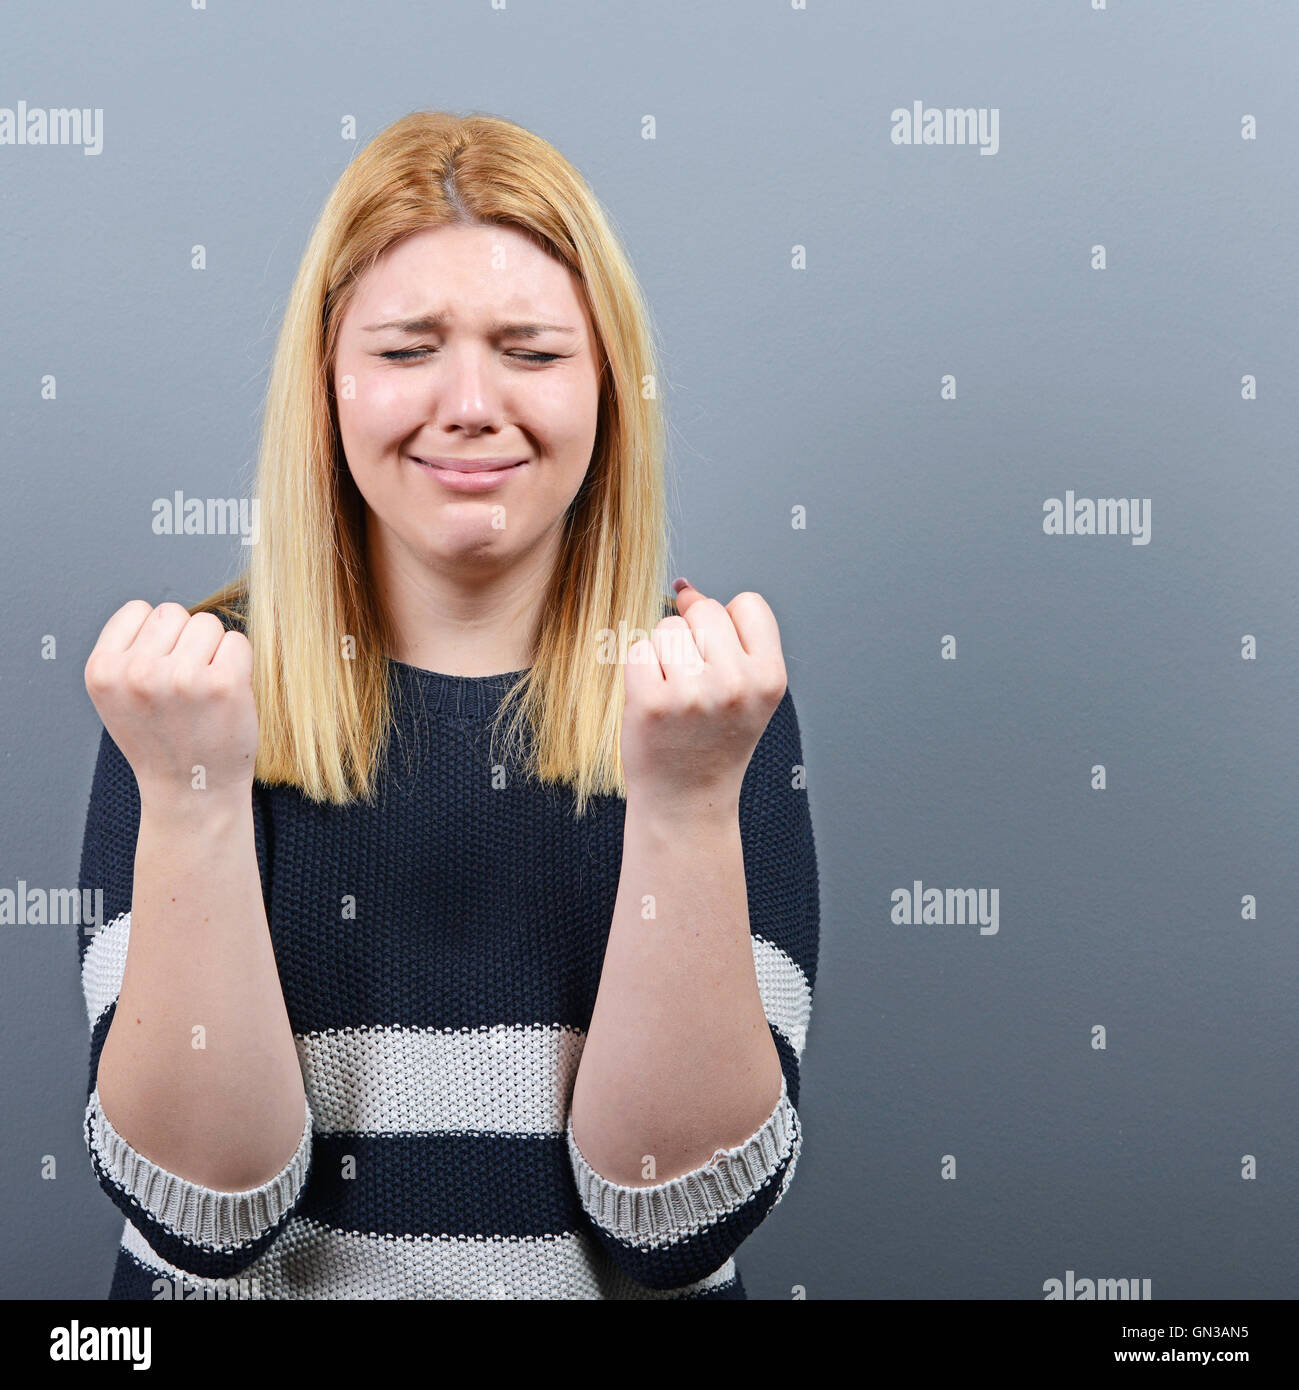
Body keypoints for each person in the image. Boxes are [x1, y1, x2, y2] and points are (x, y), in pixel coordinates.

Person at [76, 110, 819, 1300]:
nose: (470, 403)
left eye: (530, 352)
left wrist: (682, 802)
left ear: (610, 394)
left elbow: (675, 1222)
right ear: (326, 384)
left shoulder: (709, 707)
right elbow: (206, 1222)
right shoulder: (187, 701)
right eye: (409, 349)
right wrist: (192, 793)